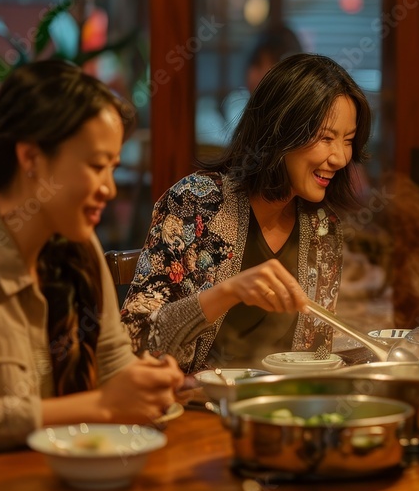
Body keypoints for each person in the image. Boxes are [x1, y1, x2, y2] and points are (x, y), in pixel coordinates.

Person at [0, 60, 184, 462]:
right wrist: (98, 408)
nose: (110, 189)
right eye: (97, 166)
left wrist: (145, 386)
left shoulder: (80, 250)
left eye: (113, 168)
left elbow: (114, 366)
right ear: (31, 158)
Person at [122, 53, 370, 373]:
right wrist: (229, 292)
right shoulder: (196, 205)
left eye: (348, 141)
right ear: (280, 131)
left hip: (277, 407)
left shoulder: (323, 227)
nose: (339, 157)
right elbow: (135, 343)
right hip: (192, 407)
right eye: (325, 137)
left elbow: (317, 354)